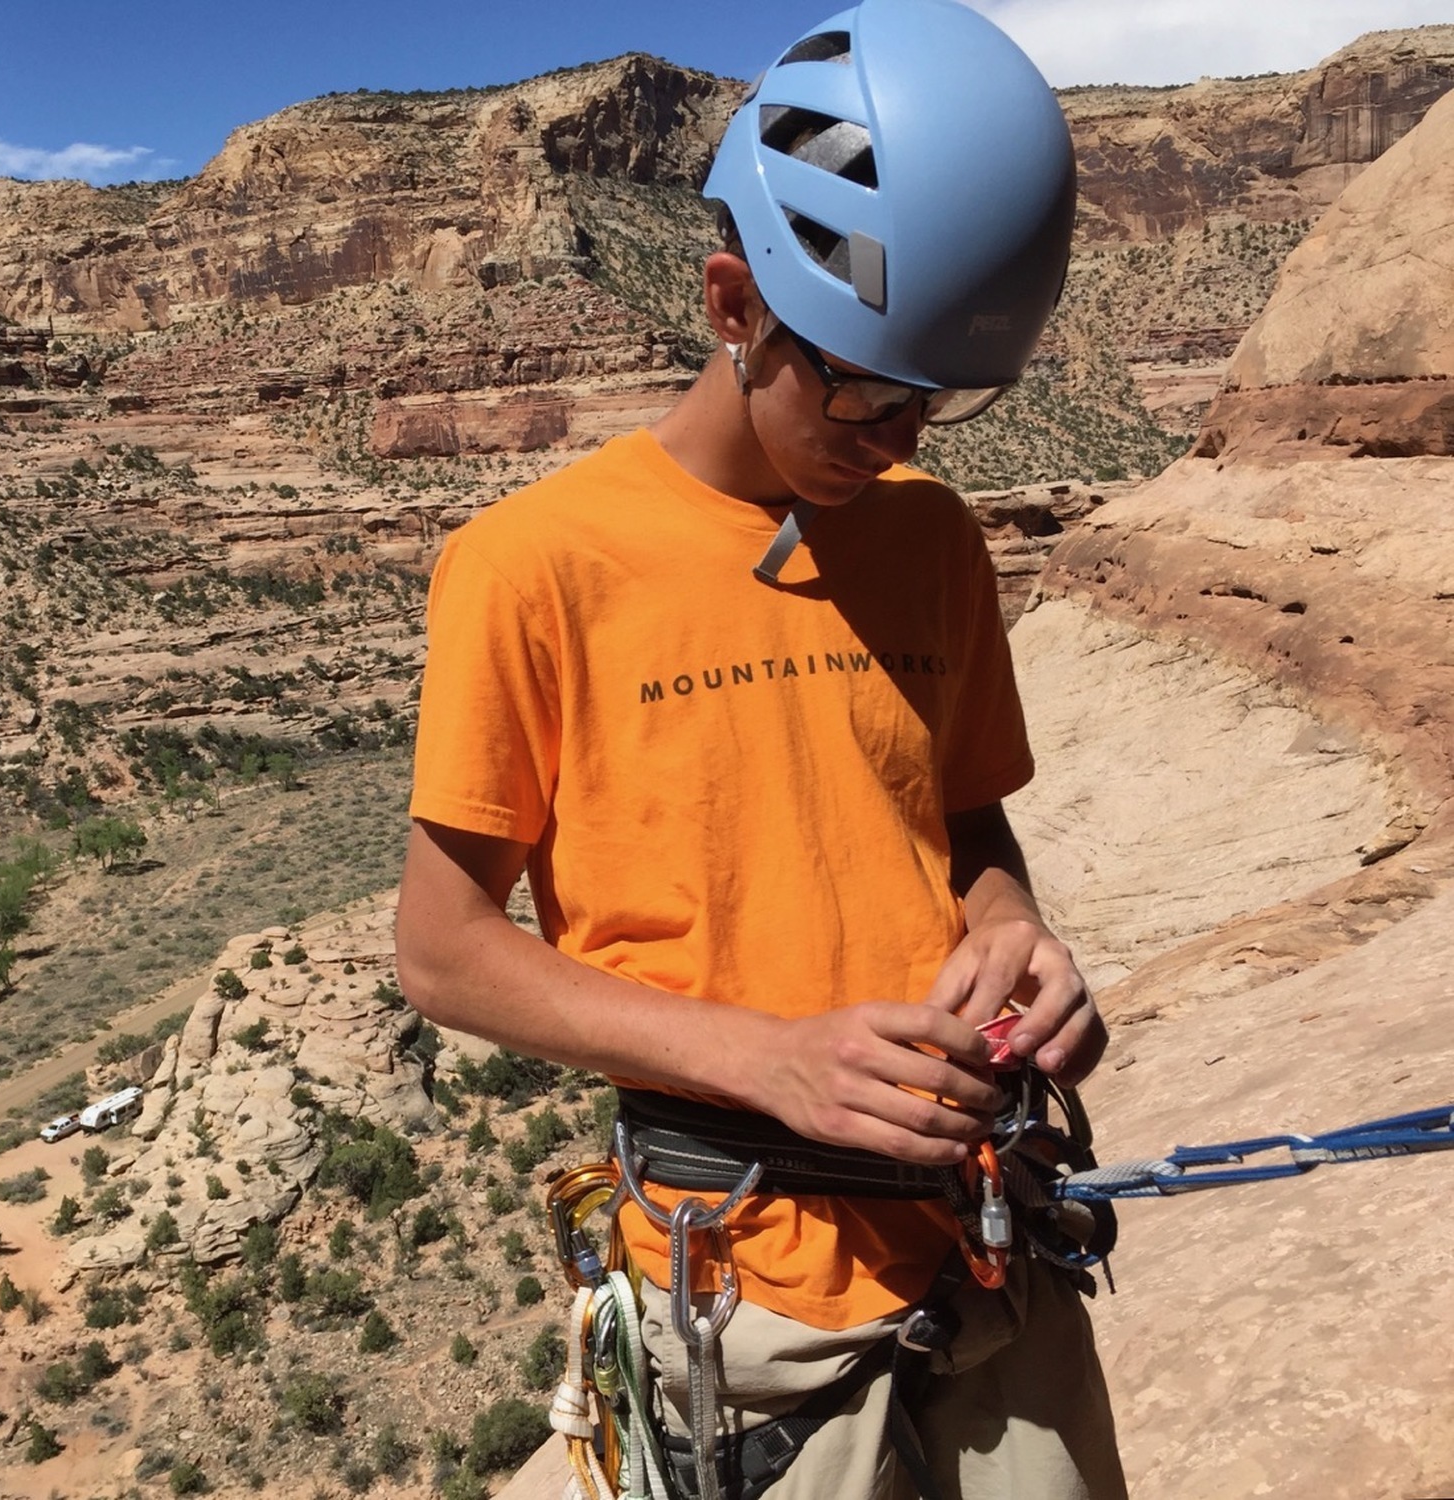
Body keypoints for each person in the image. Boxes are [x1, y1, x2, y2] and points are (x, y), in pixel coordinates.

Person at [396, 1, 1128, 1495]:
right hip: (753, 1299)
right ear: (734, 305)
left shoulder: (933, 541)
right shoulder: (534, 565)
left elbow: (966, 821)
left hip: (992, 1254)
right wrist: (768, 1060)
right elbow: (442, 950)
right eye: (863, 389)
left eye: (941, 398)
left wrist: (1016, 927)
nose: (903, 439)